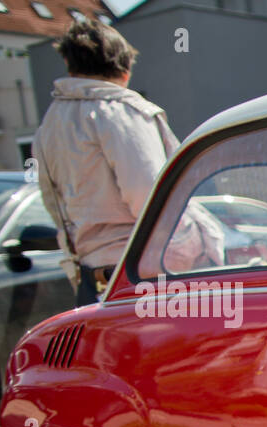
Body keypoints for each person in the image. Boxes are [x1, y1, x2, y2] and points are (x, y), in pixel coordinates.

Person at [33, 20, 180, 305]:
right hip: (139, 277)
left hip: (91, 278)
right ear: (125, 72)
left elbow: (52, 202)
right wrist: (204, 248)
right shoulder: (120, 111)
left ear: (69, 64)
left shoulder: (48, 125)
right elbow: (154, 202)